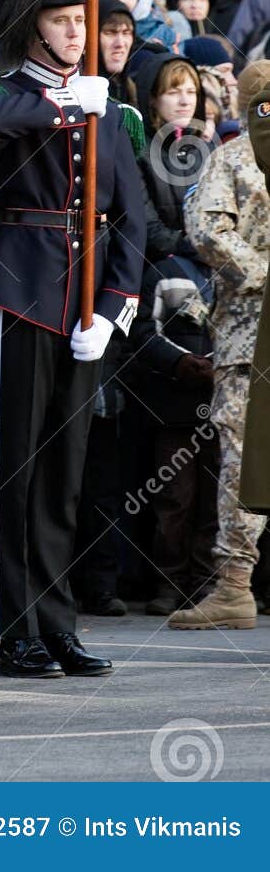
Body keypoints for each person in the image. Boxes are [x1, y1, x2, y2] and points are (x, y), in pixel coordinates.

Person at [0, 0, 145, 679]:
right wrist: (68, 110)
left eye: (80, 21)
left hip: (84, 304)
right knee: (16, 468)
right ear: (32, 26)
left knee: (65, 473)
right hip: (20, 289)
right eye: (60, 20)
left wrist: (117, 304)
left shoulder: (110, 110)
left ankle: (56, 621)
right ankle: (14, 627)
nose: (73, 31)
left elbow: (128, 217)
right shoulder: (6, 94)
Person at [173, 60, 270, 630]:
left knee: (242, 463)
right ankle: (235, 587)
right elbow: (209, 230)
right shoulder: (235, 156)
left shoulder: (234, 154)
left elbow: (206, 229)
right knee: (243, 461)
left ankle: (235, 584)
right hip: (249, 334)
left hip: (248, 337)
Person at [129, 54, 218, 616]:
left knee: (215, 485)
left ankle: (211, 581)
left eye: (190, 90)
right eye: (171, 91)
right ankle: (168, 581)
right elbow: (146, 231)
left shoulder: (214, 155)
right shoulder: (142, 158)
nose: (183, 99)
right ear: (153, 100)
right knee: (172, 487)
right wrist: (192, 244)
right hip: (163, 302)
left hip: (213, 302)